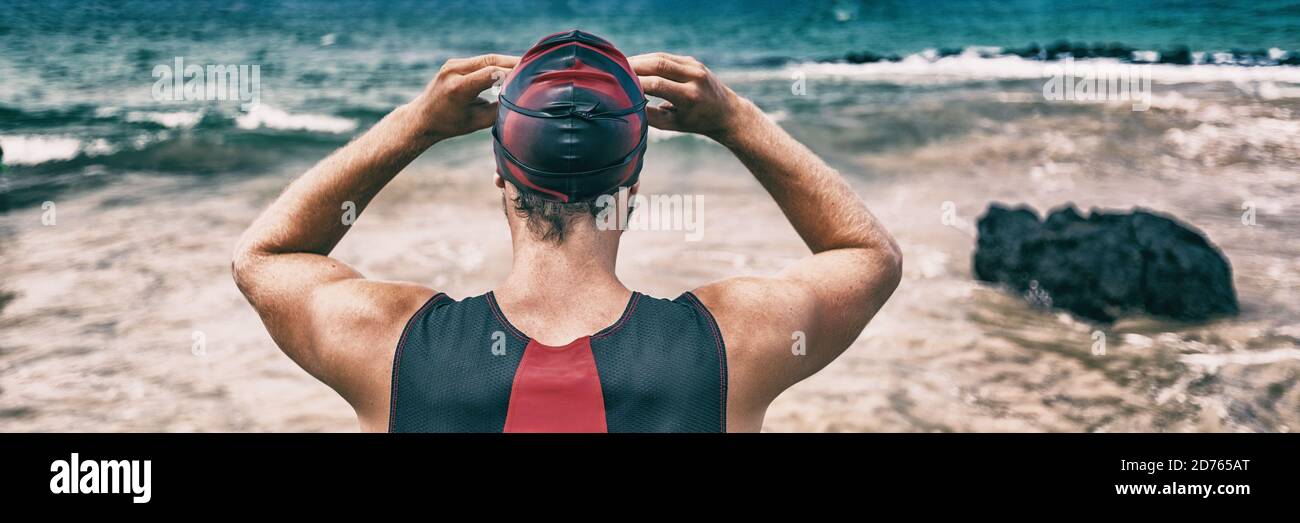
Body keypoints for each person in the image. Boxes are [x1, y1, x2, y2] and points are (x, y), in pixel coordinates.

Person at [232, 30, 901, 432]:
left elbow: (265, 256)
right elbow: (868, 254)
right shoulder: (729, 344)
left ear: (502, 181)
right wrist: (736, 120)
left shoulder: (391, 345)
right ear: (631, 192)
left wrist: (417, 123)